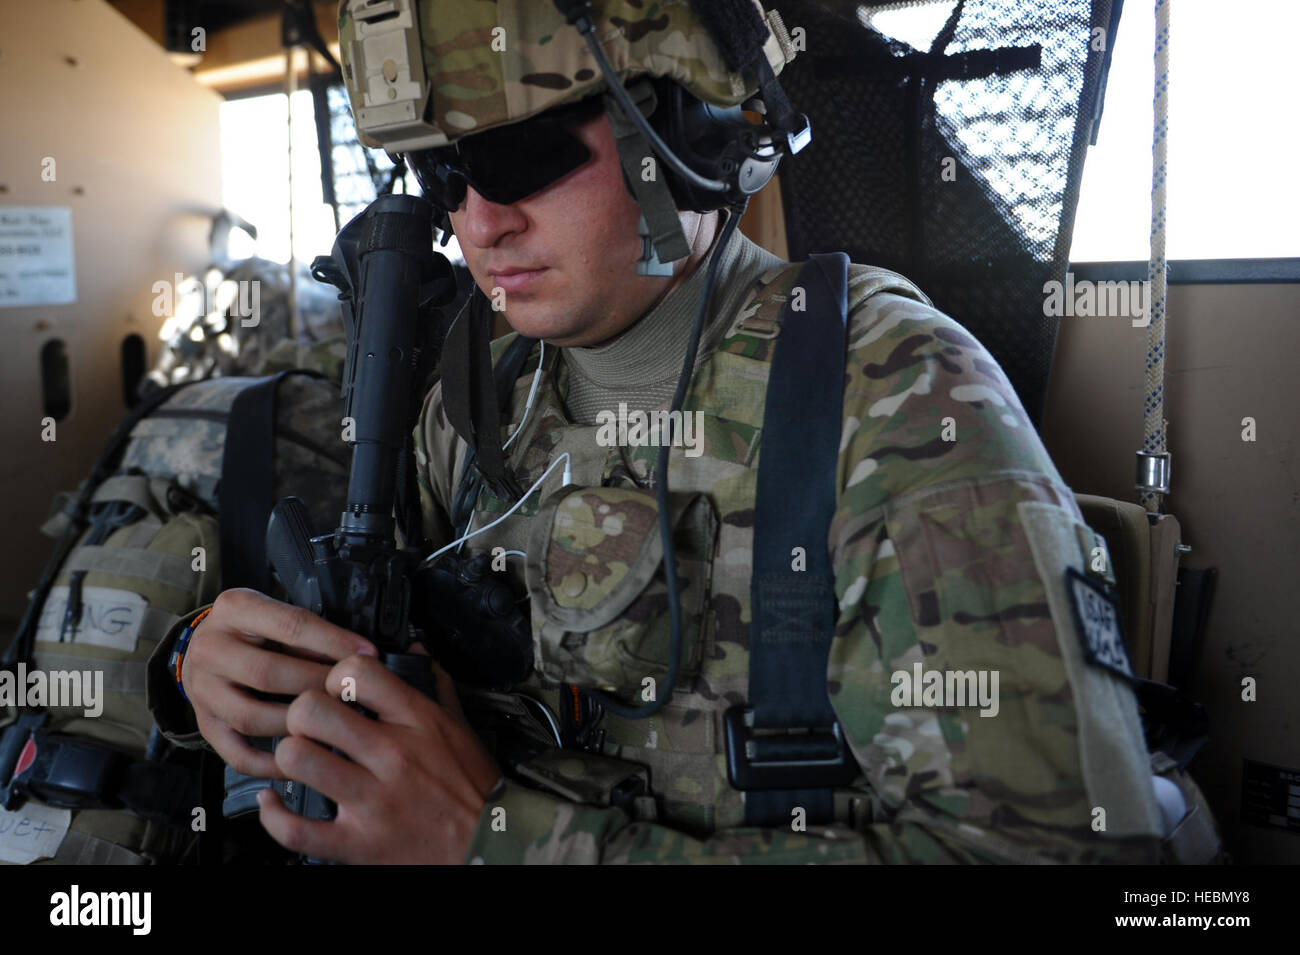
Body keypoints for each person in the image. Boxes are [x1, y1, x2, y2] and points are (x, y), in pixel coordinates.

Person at [145, 0, 1168, 864]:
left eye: (519, 154)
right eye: (446, 174)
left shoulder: (891, 392)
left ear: (687, 136)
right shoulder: (478, 395)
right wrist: (207, 664)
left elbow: (1064, 854)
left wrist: (494, 839)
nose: (479, 223)